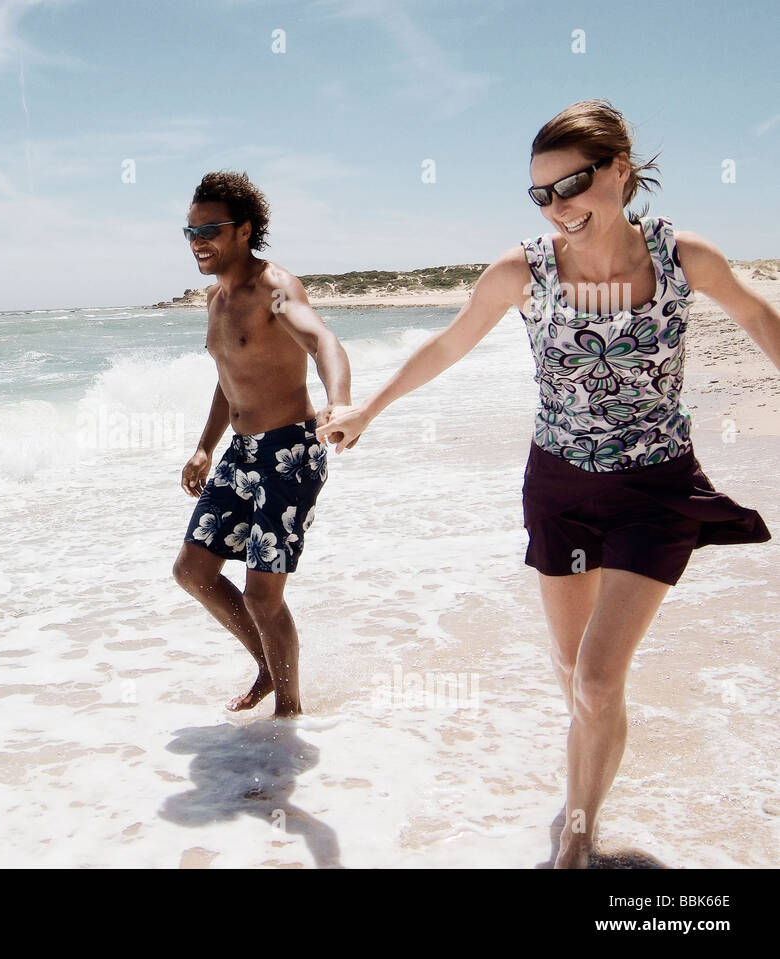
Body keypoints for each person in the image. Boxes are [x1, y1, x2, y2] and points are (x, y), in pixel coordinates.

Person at [316, 100, 777, 867]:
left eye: (573, 184)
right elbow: (448, 344)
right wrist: (370, 406)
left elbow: (763, 318)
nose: (558, 206)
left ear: (621, 172)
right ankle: (585, 783)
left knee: (595, 679)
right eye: (542, 193)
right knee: (572, 673)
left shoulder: (681, 257)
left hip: (656, 490)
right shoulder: (522, 270)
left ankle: (577, 838)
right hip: (559, 490)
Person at [172, 171, 352, 718]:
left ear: (245, 230)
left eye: (210, 229)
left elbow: (322, 339)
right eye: (190, 231)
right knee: (192, 572)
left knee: (261, 595)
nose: (198, 240)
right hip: (242, 452)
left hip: (289, 452)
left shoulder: (275, 289)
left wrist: (340, 402)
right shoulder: (215, 300)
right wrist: (206, 447)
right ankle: (270, 672)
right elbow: (229, 380)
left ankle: (289, 713)